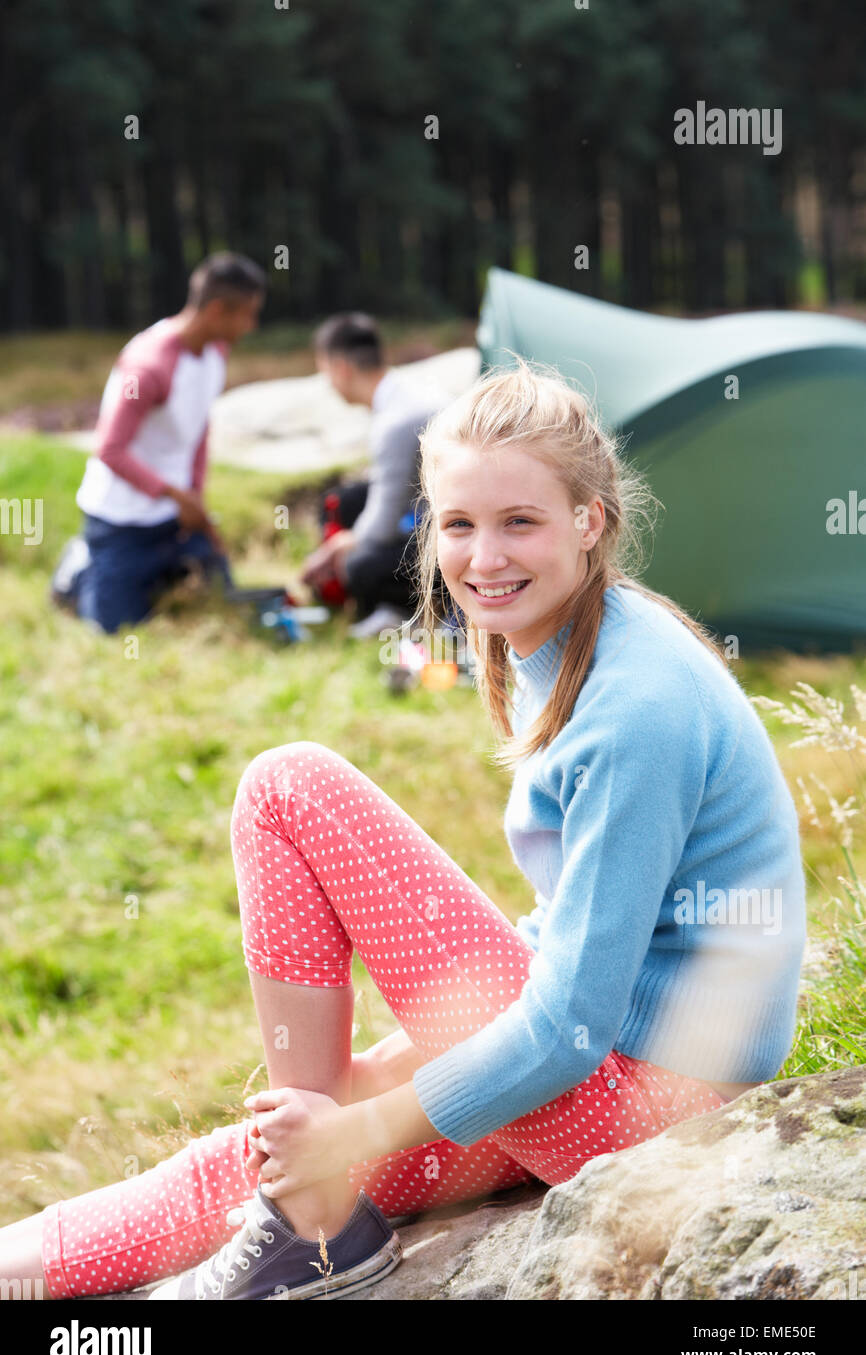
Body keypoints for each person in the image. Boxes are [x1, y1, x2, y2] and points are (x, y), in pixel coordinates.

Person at [1, 360, 807, 1300]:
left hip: (656, 1109)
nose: (484, 557)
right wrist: (362, 1090)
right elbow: (584, 931)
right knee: (277, 1153)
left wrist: (355, 1126)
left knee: (286, 788)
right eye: (459, 524)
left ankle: (315, 1228)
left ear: (590, 521)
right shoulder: (566, 639)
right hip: (612, 1076)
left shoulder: (639, 707)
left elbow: (572, 1025)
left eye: (520, 522)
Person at [50, 252, 267, 634]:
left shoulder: (215, 353)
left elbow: (199, 428)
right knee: (114, 628)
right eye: (247, 315)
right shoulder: (149, 367)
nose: (252, 325)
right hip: (122, 520)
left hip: (171, 518)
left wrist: (194, 497)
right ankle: (81, 569)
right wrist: (173, 494)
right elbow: (109, 449)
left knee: (217, 594)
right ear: (217, 310)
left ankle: (151, 574)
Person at [300, 312, 446, 638]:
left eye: (326, 374)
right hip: (428, 513)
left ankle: (402, 610)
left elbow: (381, 525)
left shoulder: (394, 421)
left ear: (341, 369)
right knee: (343, 502)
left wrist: (336, 550)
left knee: (360, 567)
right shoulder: (408, 392)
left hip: (445, 538)